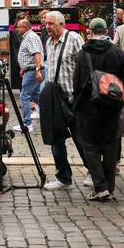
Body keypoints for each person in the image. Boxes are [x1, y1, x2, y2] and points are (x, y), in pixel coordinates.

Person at [72, 17, 124, 201]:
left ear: (89, 32)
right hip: (112, 107)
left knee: (90, 146)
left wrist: (78, 102)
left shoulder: (83, 53)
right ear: (107, 32)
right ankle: (110, 185)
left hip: (88, 107)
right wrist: (119, 101)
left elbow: (76, 82)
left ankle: (100, 186)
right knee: (110, 145)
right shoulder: (118, 53)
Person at [38, 10, 86, 191]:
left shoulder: (73, 38)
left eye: (51, 24)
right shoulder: (49, 42)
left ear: (61, 24)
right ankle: (63, 178)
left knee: (81, 139)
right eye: (46, 24)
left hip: (73, 99)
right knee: (56, 140)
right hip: (55, 99)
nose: (47, 27)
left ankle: (93, 172)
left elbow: (85, 65)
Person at [13, 16, 44, 133]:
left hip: (32, 71)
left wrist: (37, 70)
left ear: (24, 28)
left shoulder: (30, 37)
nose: (17, 29)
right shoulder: (28, 37)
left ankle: (27, 124)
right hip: (30, 70)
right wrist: (23, 69)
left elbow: (36, 54)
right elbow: (29, 56)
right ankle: (51, 115)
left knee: (24, 96)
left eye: (18, 27)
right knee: (36, 97)